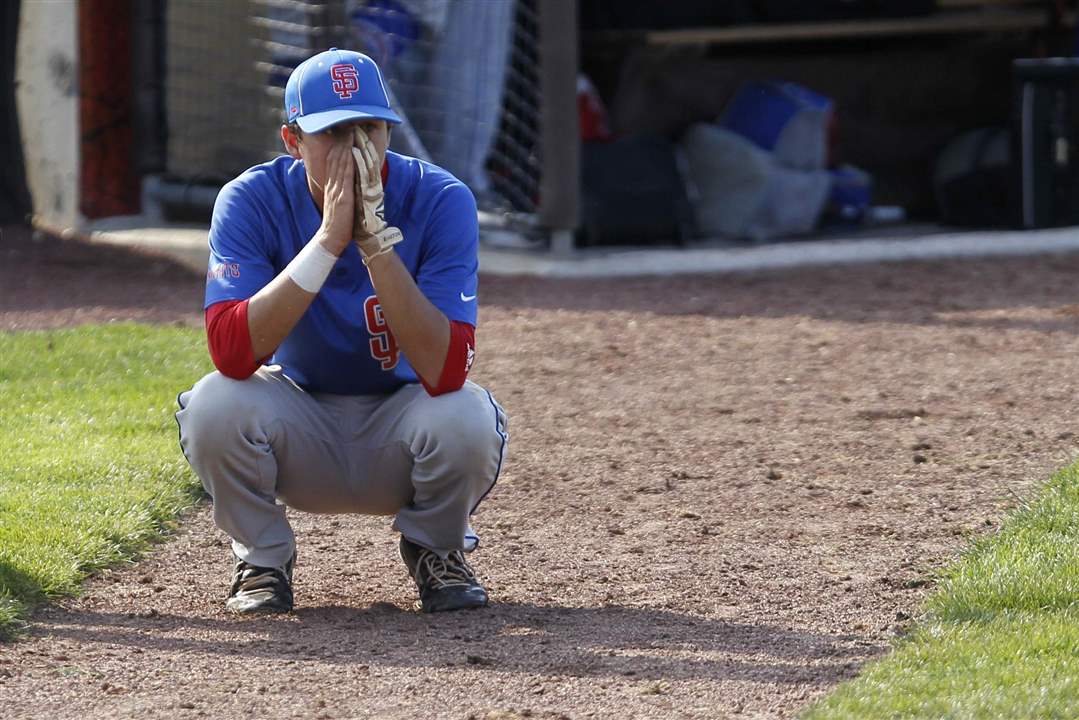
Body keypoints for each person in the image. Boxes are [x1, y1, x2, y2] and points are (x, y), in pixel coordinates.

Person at [175, 48, 508, 615]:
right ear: (292, 140)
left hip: (403, 424)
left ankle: (436, 549)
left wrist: (376, 246)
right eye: (333, 133)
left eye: (369, 129)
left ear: (388, 131)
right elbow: (231, 352)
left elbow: (446, 369)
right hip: (297, 425)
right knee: (213, 405)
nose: (357, 150)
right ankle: (263, 558)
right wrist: (329, 239)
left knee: (467, 416)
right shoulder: (251, 198)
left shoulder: (440, 198)